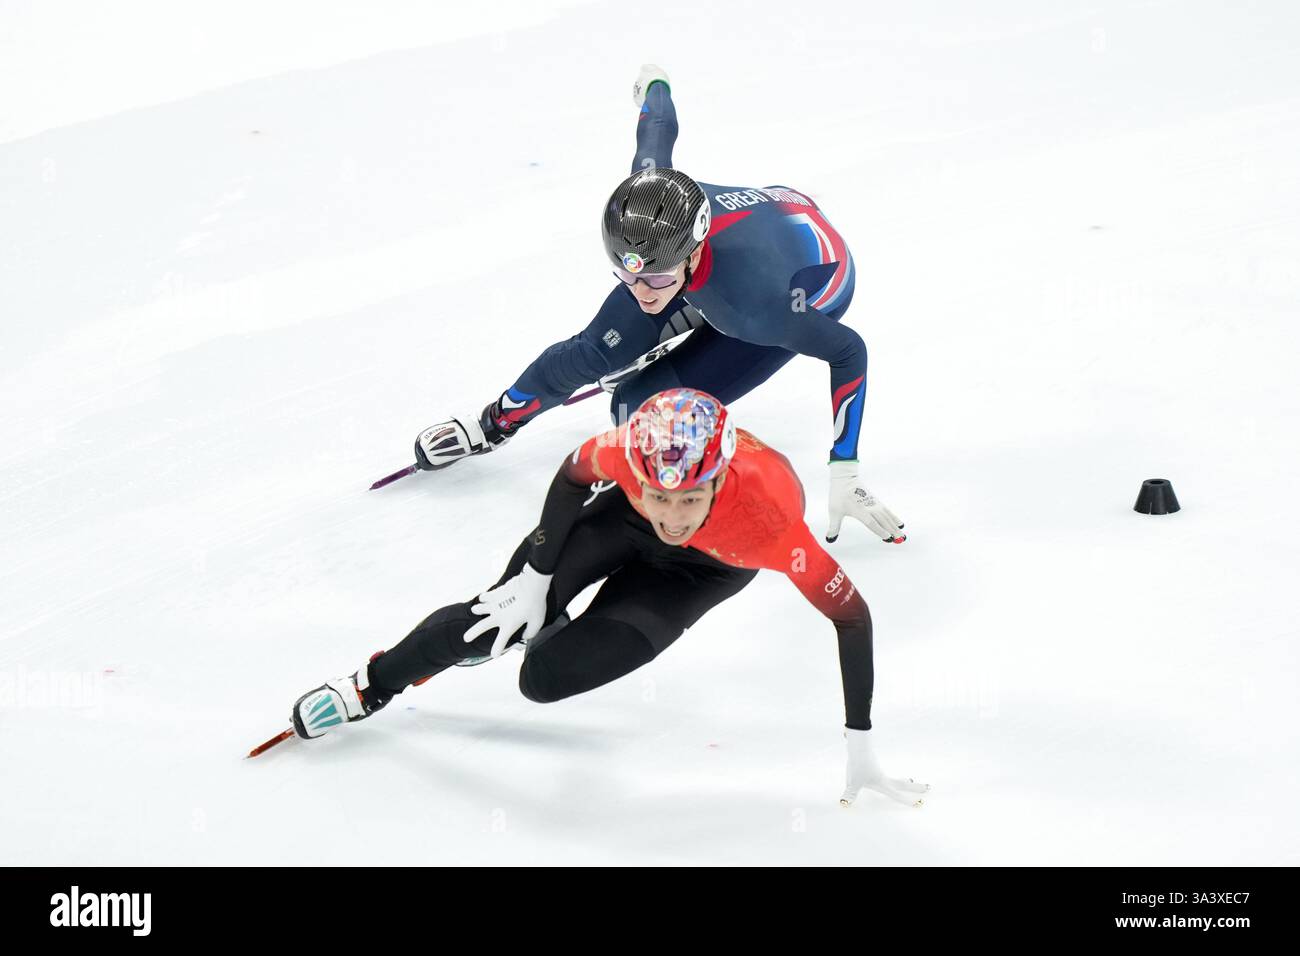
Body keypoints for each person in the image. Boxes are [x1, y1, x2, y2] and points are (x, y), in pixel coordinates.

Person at [295, 389, 926, 806]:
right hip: (619, 521)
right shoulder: (627, 454)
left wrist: (861, 744)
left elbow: (853, 618)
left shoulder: (769, 521)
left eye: (689, 500)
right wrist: (537, 579)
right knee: (494, 621)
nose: (673, 517)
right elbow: (570, 481)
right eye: (660, 495)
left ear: (721, 480)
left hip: (704, 573)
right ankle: (370, 685)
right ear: (639, 476)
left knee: (540, 682)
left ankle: (551, 628)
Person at [413, 65, 905, 546]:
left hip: (804, 281)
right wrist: (655, 83)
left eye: (656, 280)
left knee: (632, 412)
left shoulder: (756, 306)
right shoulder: (650, 195)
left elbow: (848, 351)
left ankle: (657, 353)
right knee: (592, 354)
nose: (642, 292)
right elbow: (658, 124)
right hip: (726, 255)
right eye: (626, 276)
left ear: (691, 254)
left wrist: (846, 466)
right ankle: (494, 423)